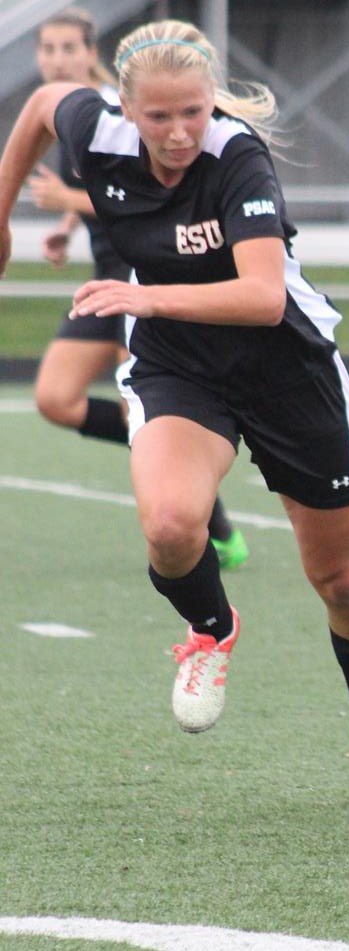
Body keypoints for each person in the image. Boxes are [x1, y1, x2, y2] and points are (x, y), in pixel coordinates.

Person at [0, 18, 349, 808]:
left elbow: (265, 299)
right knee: (169, 525)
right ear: (124, 107)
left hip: (285, 368)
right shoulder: (92, 126)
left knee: (340, 578)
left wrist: (145, 293)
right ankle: (210, 626)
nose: (178, 132)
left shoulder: (237, 156)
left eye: (193, 111)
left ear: (212, 102)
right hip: (179, 363)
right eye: (159, 116)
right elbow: (33, 114)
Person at [29, 7, 247, 569]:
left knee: (147, 406)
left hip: (148, 281)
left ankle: (210, 526)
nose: (56, 59)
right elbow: (107, 190)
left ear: (90, 52)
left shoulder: (134, 107)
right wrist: (64, 229)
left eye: (67, 49)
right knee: (55, 399)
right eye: (46, 49)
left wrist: (65, 202)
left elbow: (149, 199)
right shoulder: (70, 115)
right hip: (106, 282)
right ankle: (188, 496)